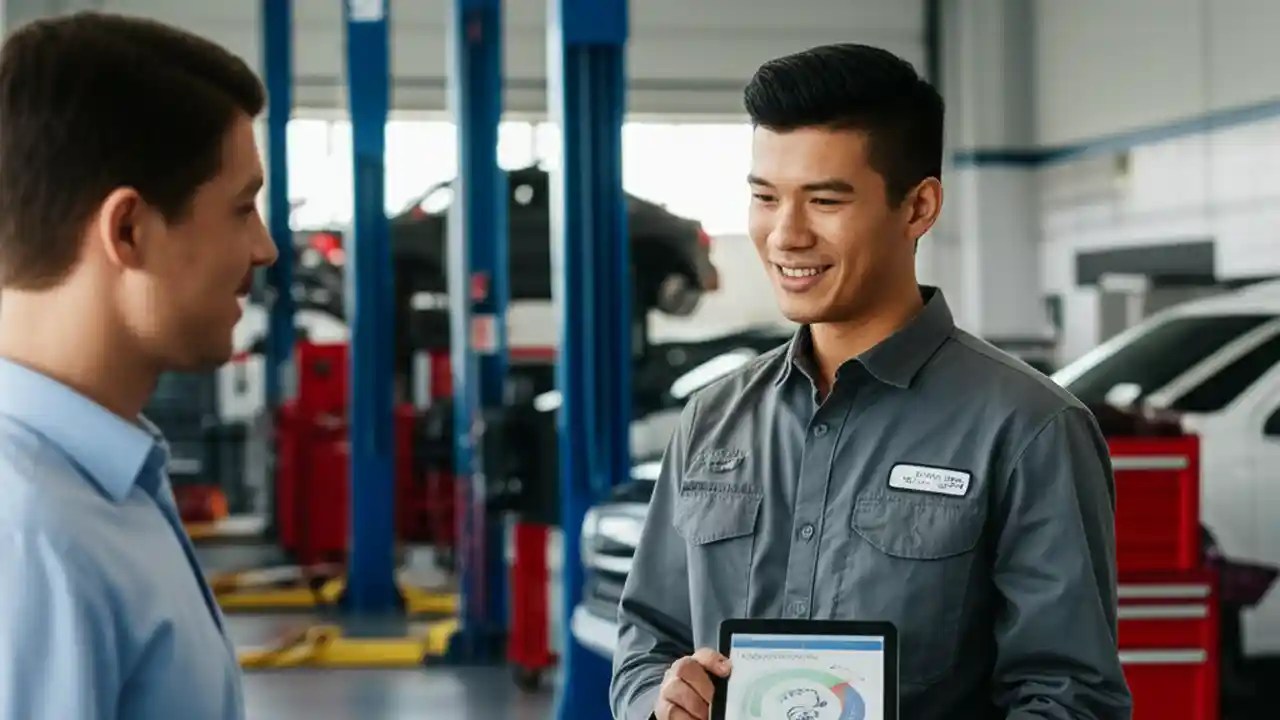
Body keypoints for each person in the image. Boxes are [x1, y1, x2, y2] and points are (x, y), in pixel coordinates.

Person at [610, 44, 1132, 720]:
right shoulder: (713, 420)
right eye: (765, 197)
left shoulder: (1028, 429)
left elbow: (1071, 697)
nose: (786, 235)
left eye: (825, 200)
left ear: (919, 207)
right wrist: (661, 698)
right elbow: (647, 638)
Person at [0, 12, 277, 719]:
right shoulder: (31, 540)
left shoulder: (98, 488)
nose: (265, 248)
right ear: (128, 230)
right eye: (242, 208)